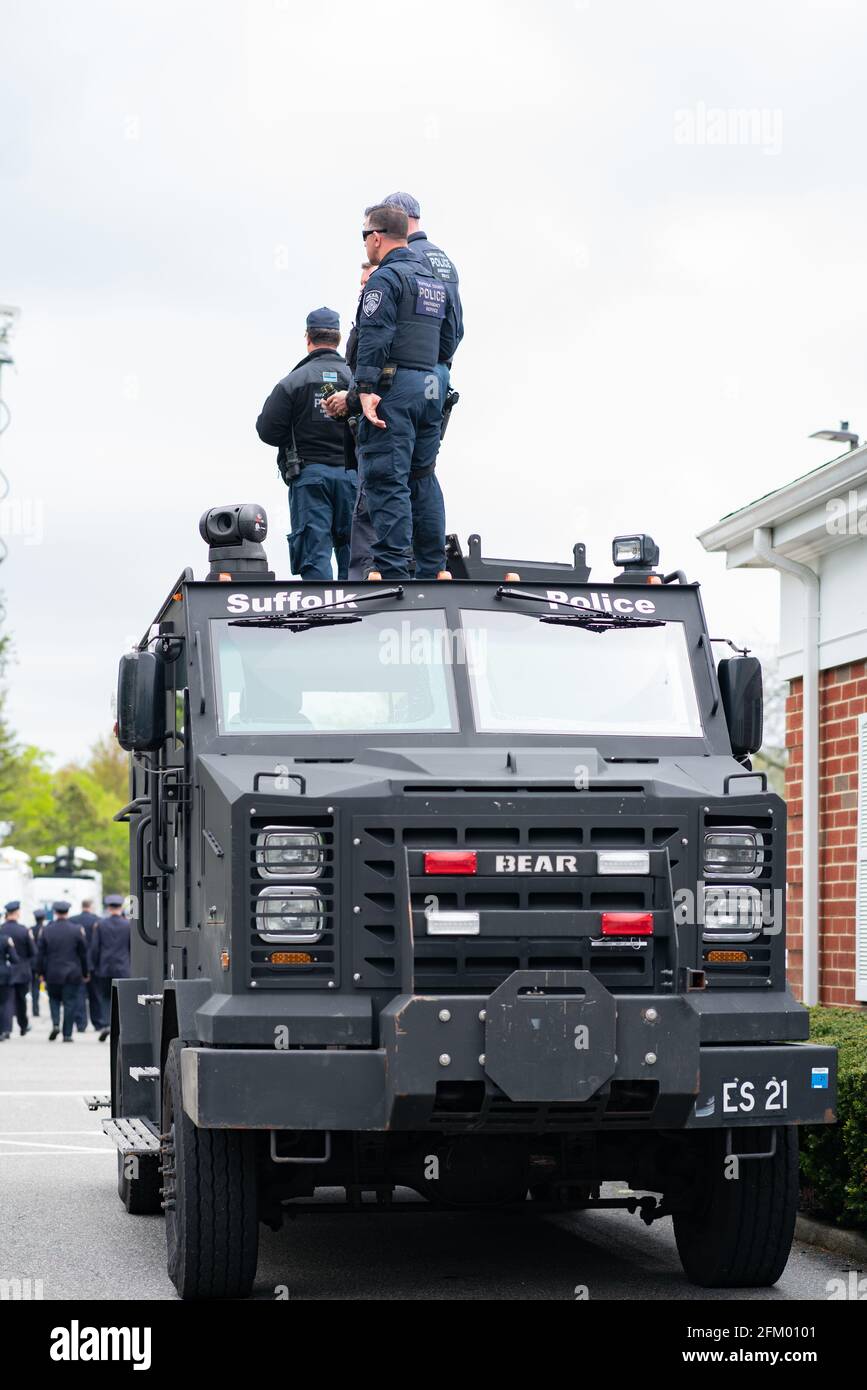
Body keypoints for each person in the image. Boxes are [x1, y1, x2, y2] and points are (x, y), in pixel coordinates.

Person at [350, 203, 459, 580]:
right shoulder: (433, 280)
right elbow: (450, 338)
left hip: (394, 389)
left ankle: (392, 570)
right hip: (431, 387)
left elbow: (374, 335)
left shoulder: (385, 278)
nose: (365, 243)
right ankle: (435, 569)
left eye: (364, 235)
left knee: (387, 477)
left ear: (377, 237)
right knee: (423, 476)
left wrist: (365, 389)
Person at [256, 307, 356, 582]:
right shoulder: (356, 382)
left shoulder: (292, 382)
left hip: (309, 477)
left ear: (308, 338)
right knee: (356, 553)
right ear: (338, 339)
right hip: (353, 477)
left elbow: (267, 431)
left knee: (314, 552)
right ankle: (361, 606)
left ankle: (322, 609)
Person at [380, 191, 463, 345]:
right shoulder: (443, 258)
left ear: (394, 219)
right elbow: (456, 325)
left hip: (411, 354)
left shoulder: (404, 258)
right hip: (440, 355)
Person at [36, 901, 89, 1042]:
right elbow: (83, 954)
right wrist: (85, 972)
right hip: (72, 973)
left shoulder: (46, 930)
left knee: (53, 1000)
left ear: (55, 912)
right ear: (67, 912)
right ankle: (67, 1034)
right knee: (70, 1003)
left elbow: (40, 954)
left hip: (52, 972)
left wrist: (40, 973)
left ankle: (55, 1024)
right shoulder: (76, 930)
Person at [90, 894, 131, 1042]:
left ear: (108, 908)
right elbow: (131, 947)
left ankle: (107, 1024)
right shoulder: (128, 925)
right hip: (123, 967)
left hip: (105, 967)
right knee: (122, 998)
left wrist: (93, 966)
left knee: (105, 997)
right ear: (121, 907)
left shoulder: (100, 925)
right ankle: (120, 1026)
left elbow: (95, 948)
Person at [1, 901, 35, 1037]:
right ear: (17, 913)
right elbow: (33, 951)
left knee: (6, 1001)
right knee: (21, 1000)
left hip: (5, 969)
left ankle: (6, 1028)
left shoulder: (2, 930)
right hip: (21, 970)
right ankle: (23, 1025)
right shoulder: (24, 930)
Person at [69, 898, 103, 1033]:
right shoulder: (99, 921)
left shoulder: (72, 921)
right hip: (94, 963)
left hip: (77, 963)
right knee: (96, 995)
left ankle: (81, 1024)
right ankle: (98, 1023)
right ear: (91, 907)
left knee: (79, 995)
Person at [0, 924, 18, 1042]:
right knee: (4, 1003)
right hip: (3, 974)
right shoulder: (5, 939)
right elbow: (14, 959)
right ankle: (3, 1030)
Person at [30, 908, 46, 1016]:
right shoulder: (46, 930)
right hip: (44, 962)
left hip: (32, 962)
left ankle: (35, 1009)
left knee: (34, 987)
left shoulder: (30, 930)